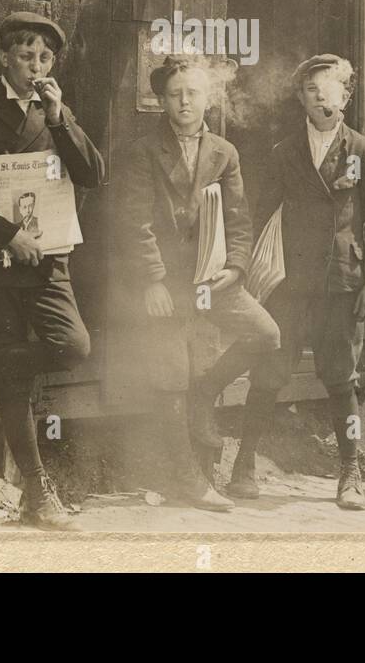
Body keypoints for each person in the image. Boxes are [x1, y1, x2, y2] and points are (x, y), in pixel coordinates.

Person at [0, 11, 104, 530]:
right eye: (25, 55)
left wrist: (59, 118)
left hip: (49, 262)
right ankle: (37, 491)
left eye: (45, 57)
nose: (35, 65)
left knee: (72, 346)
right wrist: (9, 236)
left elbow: (92, 175)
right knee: (15, 385)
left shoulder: (56, 115)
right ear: (4, 58)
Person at [228, 54, 365, 510]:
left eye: (331, 88)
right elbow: (259, 216)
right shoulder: (285, 153)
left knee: (342, 380)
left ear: (347, 95)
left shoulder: (364, 152)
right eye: (311, 90)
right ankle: (243, 465)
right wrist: (243, 270)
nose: (322, 97)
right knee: (269, 374)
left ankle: (351, 472)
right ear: (300, 98)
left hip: (341, 284)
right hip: (289, 285)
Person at [124, 56, 281, 511]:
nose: (184, 102)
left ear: (208, 96)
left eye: (192, 92)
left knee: (267, 334)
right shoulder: (144, 151)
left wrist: (235, 268)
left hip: (214, 279)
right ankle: (187, 480)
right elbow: (135, 224)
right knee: (171, 374)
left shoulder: (223, 153)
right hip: (167, 284)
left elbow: (239, 219)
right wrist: (152, 281)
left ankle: (206, 391)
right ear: (162, 101)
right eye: (174, 94)